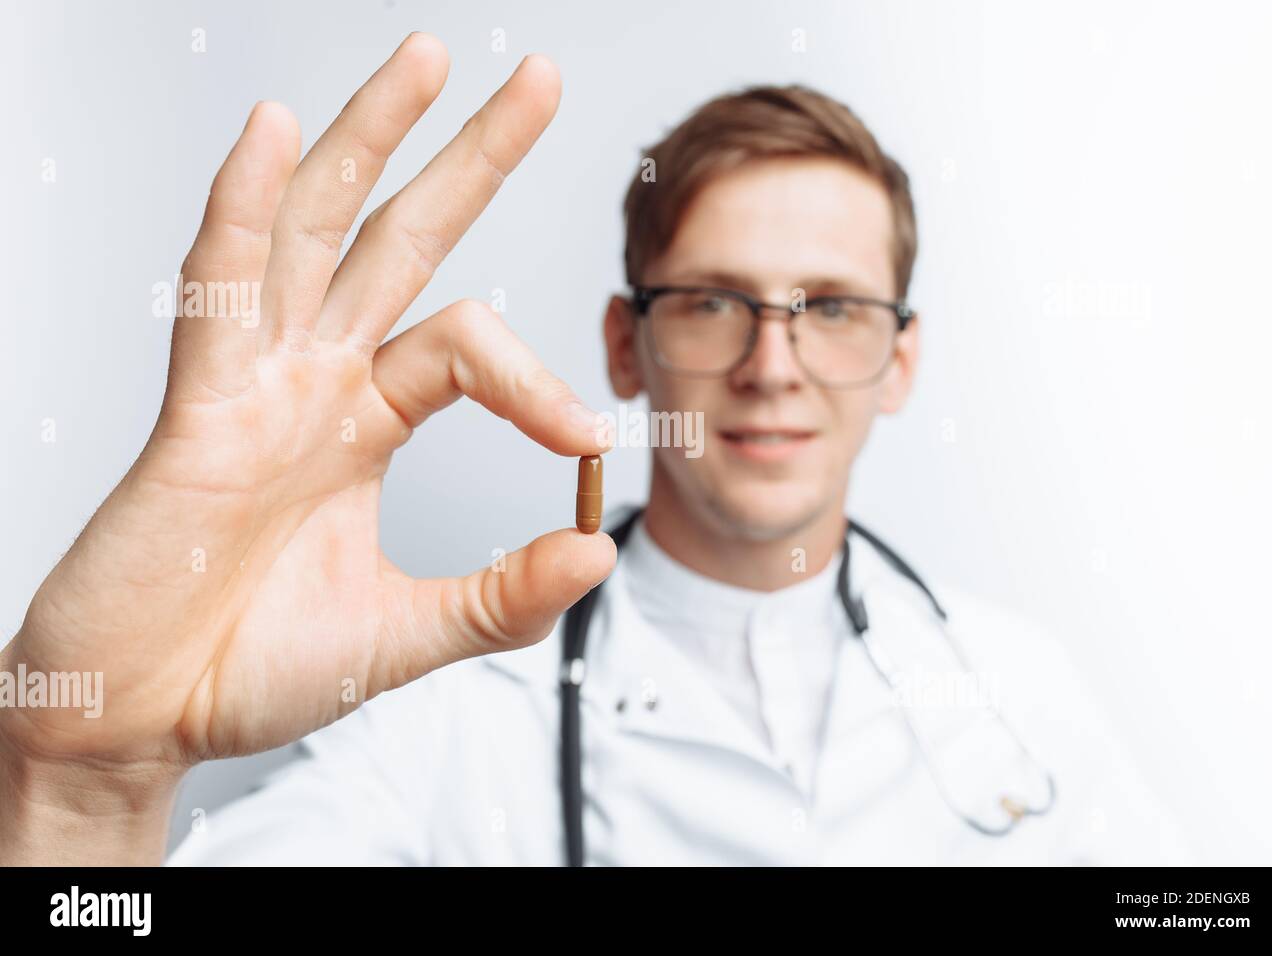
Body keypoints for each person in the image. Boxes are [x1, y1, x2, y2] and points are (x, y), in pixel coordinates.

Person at [0, 33, 1190, 866]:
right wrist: (83, 790)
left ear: (902, 359)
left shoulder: (1018, 693)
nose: (771, 366)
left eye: (830, 307)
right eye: (713, 301)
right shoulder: (438, 723)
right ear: (626, 345)